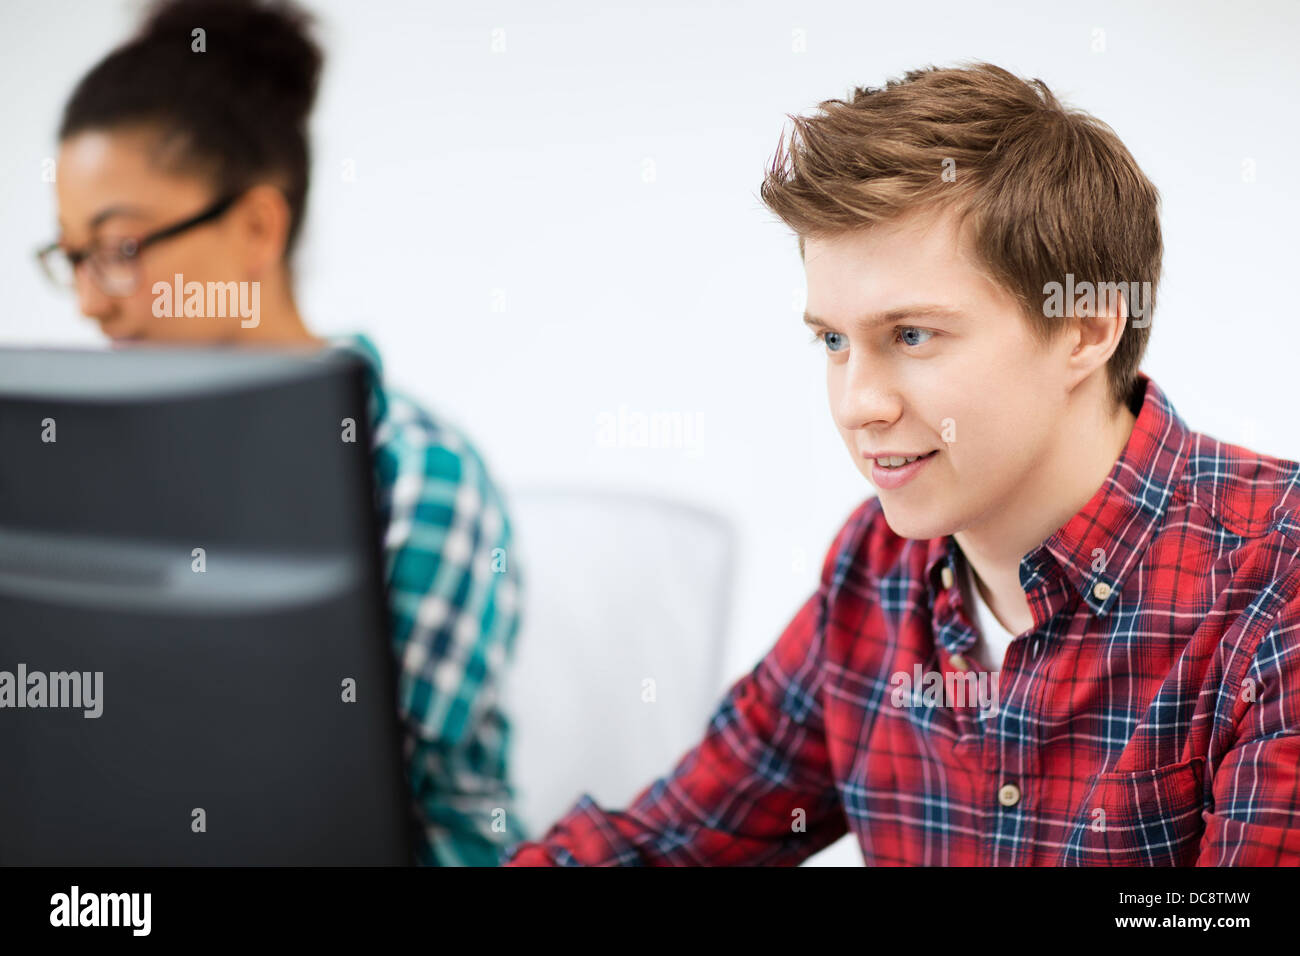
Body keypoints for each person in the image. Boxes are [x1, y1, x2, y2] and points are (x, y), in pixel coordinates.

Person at [504, 62, 1300, 866]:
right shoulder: (877, 568)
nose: (858, 404)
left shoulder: (1278, 581)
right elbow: (662, 844)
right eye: (833, 341)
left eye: (912, 336)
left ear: (1085, 330)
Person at [37, 0, 526, 866]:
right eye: (72, 256)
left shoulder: (415, 471)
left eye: (118, 247)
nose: (89, 299)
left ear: (257, 226)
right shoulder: (91, 480)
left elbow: (313, 790)